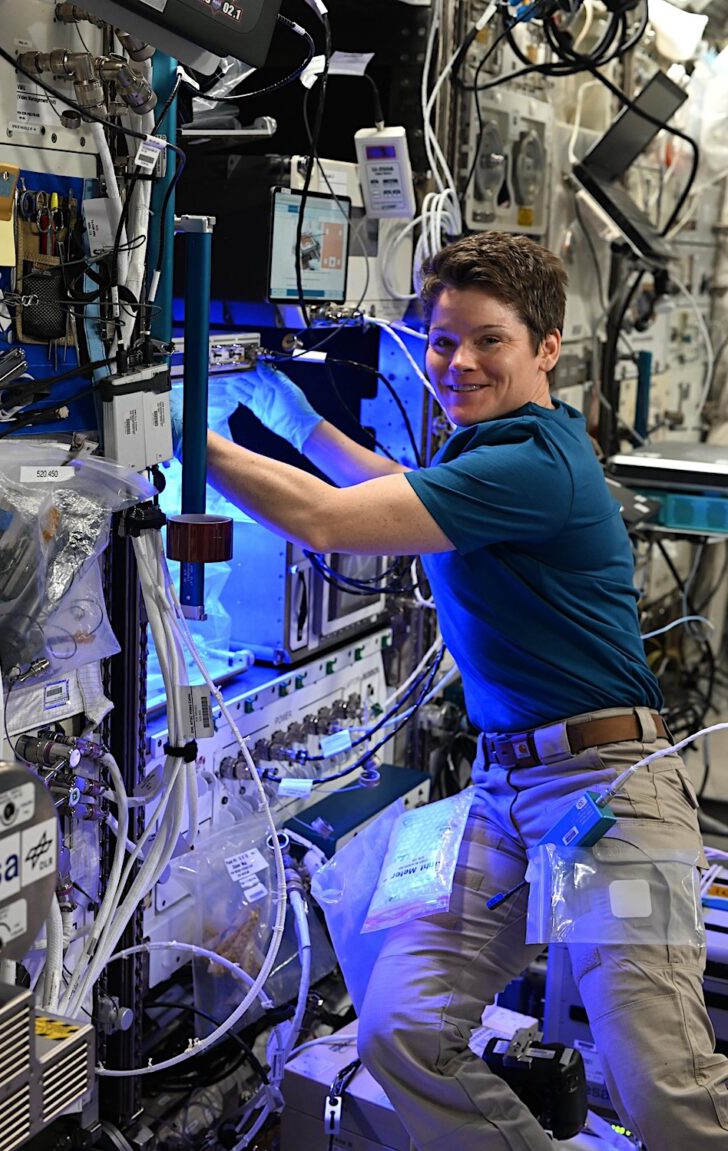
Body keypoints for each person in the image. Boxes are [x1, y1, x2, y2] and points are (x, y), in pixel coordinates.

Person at [184, 231, 728, 1150]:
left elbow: (325, 520)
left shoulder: (532, 463)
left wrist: (186, 433)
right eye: (442, 339)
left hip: (611, 792)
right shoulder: (503, 445)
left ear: (546, 348)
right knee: (405, 1028)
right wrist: (294, 419)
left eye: (488, 340)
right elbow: (411, 488)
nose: (458, 361)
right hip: (506, 794)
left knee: (662, 1083)